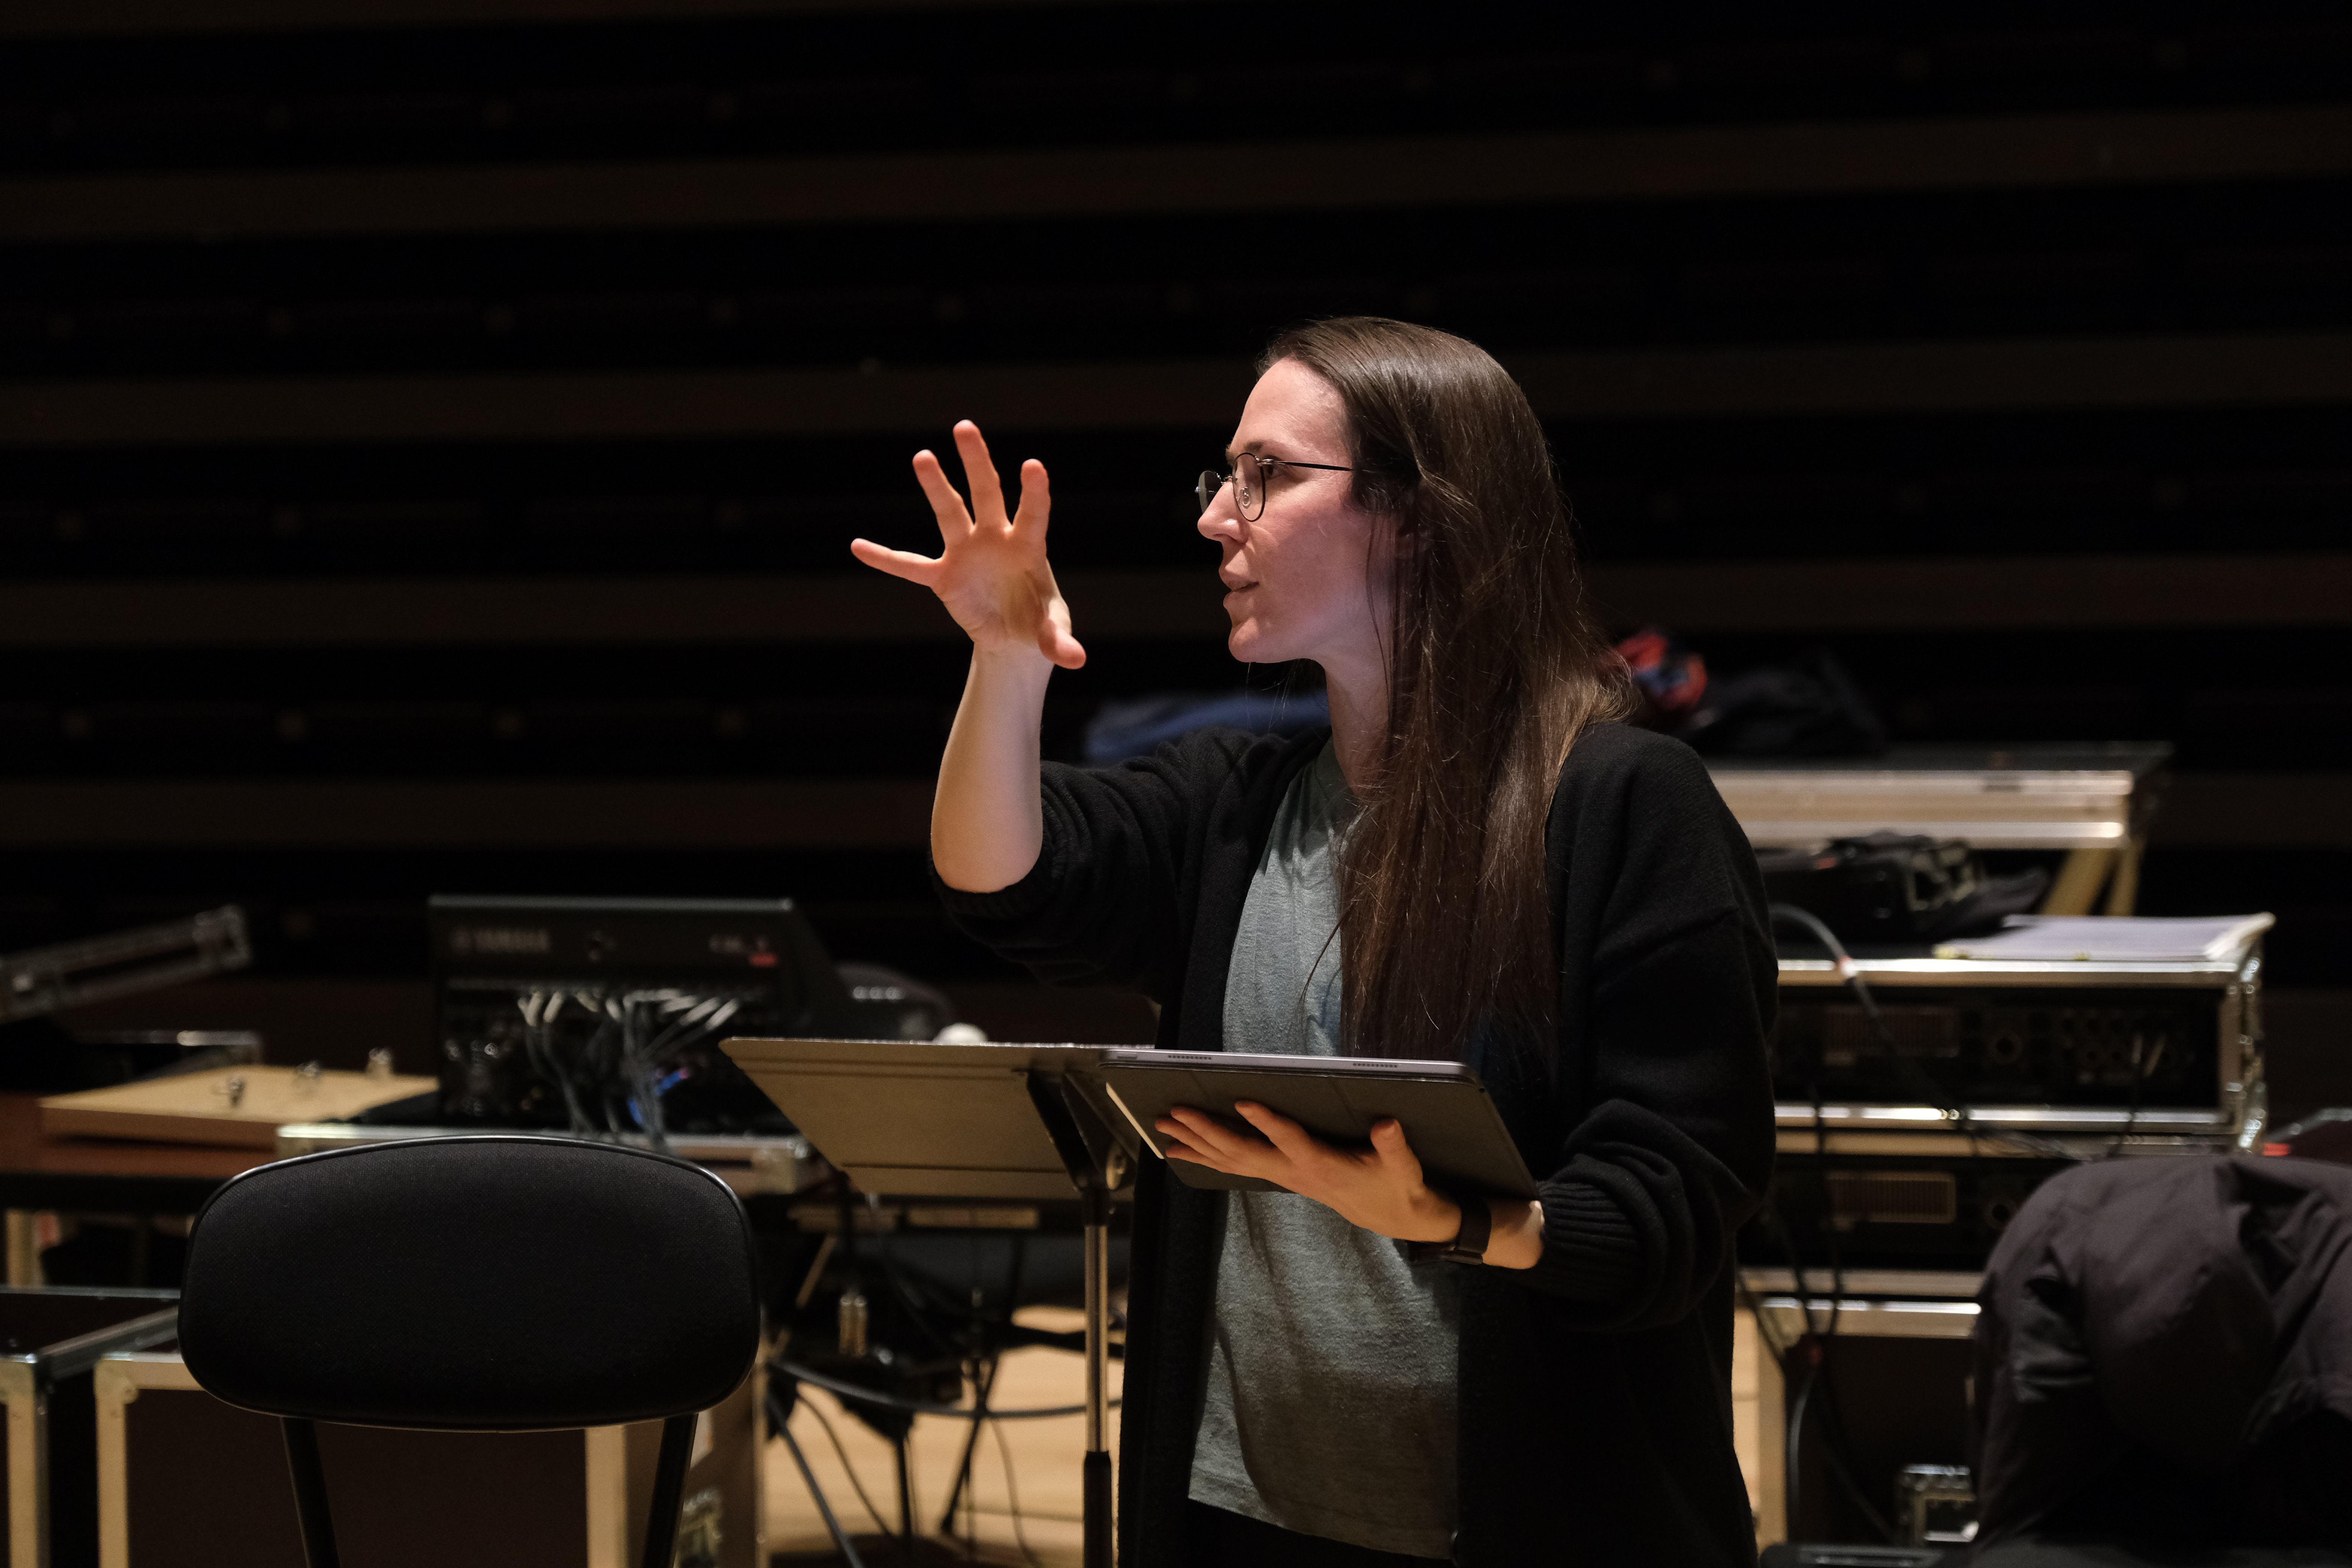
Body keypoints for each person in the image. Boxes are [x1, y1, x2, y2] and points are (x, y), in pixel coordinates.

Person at [851, 317, 1776, 1567]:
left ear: (1418, 512)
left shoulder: (1624, 806)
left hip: (1532, 1522)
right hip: (1242, 1515)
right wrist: (1007, 661)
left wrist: (1459, 1218)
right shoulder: (1238, 802)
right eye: (1220, 478)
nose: (1217, 519)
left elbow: (1674, 1209)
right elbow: (1000, 872)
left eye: (1266, 476)